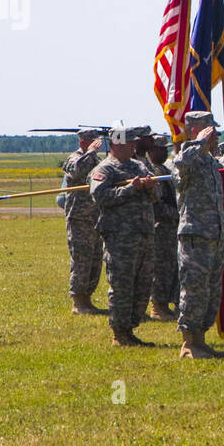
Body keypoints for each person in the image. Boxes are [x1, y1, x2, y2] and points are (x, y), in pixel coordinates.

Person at [89, 123, 160, 346]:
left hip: (144, 234)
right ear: (116, 144)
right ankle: (119, 333)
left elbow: (157, 195)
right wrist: (131, 189)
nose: (133, 146)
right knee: (122, 285)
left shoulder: (139, 166)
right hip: (120, 237)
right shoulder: (105, 169)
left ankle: (130, 328)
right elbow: (100, 196)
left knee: (142, 284)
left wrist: (149, 187)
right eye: (129, 143)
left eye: (133, 142)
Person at [173, 112, 224, 359]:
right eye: (210, 130)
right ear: (195, 130)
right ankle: (188, 344)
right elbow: (181, 167)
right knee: (194, 289)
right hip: (194, 234)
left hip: (214, 235)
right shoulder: (187, 156)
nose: (215, 135)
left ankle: (201, 340)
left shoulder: (209, 161)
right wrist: (197, 143)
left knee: (210, 291)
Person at [62, 128, 106, 315]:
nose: (95, 143)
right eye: (91, 140)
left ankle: (87, 298)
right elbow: (77, 171)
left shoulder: (96, 160)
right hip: (79, 217)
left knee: (95, 260)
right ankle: (78, 301)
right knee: (81, 259)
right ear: (82, 141)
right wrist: (91, 153)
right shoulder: (74, 158)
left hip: (95, 217)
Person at [147, 134, 179, 322]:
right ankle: (157, 306)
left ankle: (165, 304)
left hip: (170, 227)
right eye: (160, 148)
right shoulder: (152, 172)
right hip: (160, 227)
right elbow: (156, 205)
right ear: (151, 150)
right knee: (161, 268)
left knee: (171, 267)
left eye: (165, 148)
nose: (164, 151)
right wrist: (177, 213)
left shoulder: (164, 169)